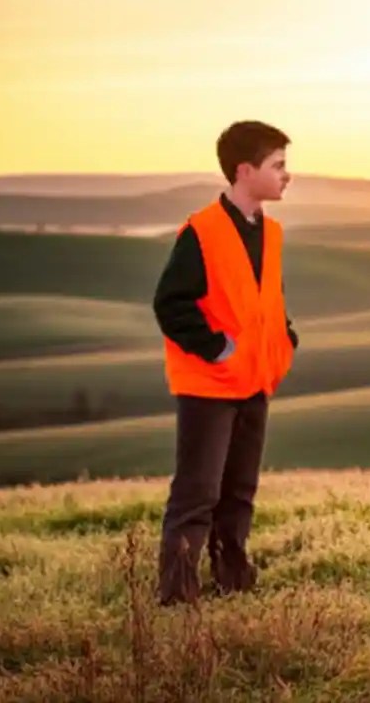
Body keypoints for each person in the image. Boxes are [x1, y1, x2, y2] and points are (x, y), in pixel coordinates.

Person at [152, 120, 299, 606]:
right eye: (278, 165)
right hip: (210, 386)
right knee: (197, 494)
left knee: (239, 492)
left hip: (255, 382)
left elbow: (266, 302)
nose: (287, 175)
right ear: (244, 170)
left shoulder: (271, 232)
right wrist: (216, 347)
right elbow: (170, 304)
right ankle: (177, 595)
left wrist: (285, 341)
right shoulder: (201, 231)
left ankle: (233, 579)